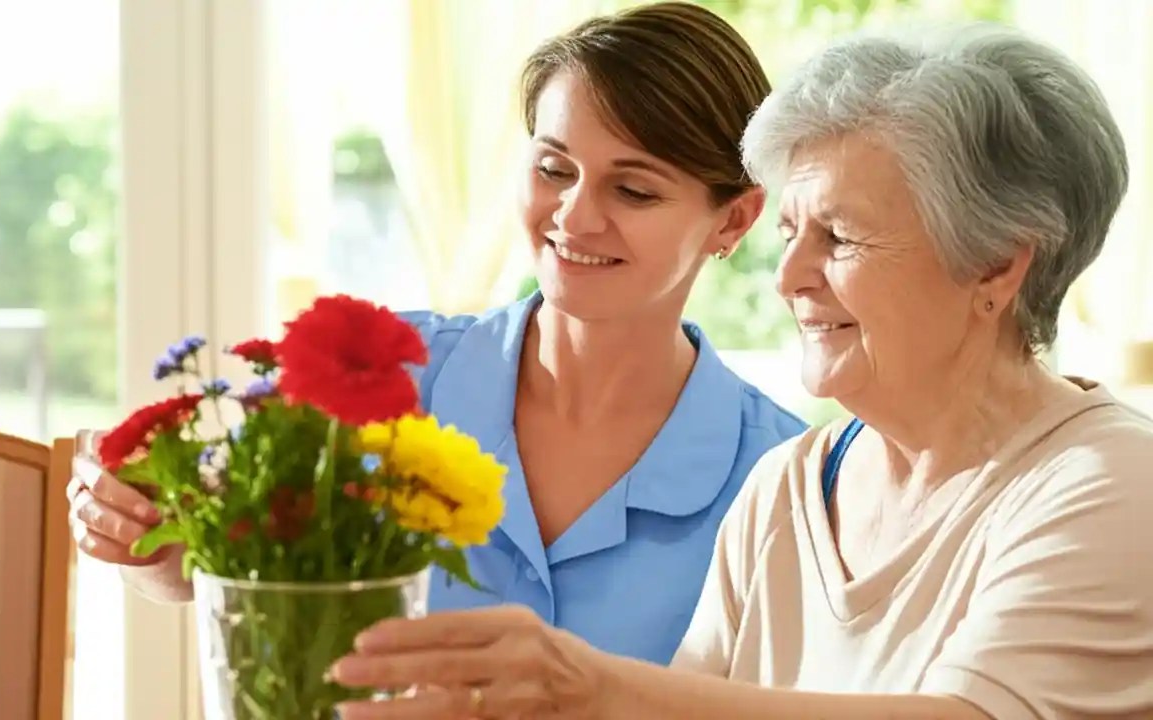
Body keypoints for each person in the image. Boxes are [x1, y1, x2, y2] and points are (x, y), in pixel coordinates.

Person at [325, 23, 1153, 720]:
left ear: (996, 268)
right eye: (792, 231)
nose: (790, 275)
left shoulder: (1110, 480)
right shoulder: (787, 489)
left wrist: (585, 681)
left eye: (840, 237)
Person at [66, 1, 806, 666]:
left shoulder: (783, 479)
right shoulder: (379, 376)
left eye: (633, 189)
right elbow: (229, 578)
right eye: (554, 168)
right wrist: (149, 545)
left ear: (733, 219)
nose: (574, 217)